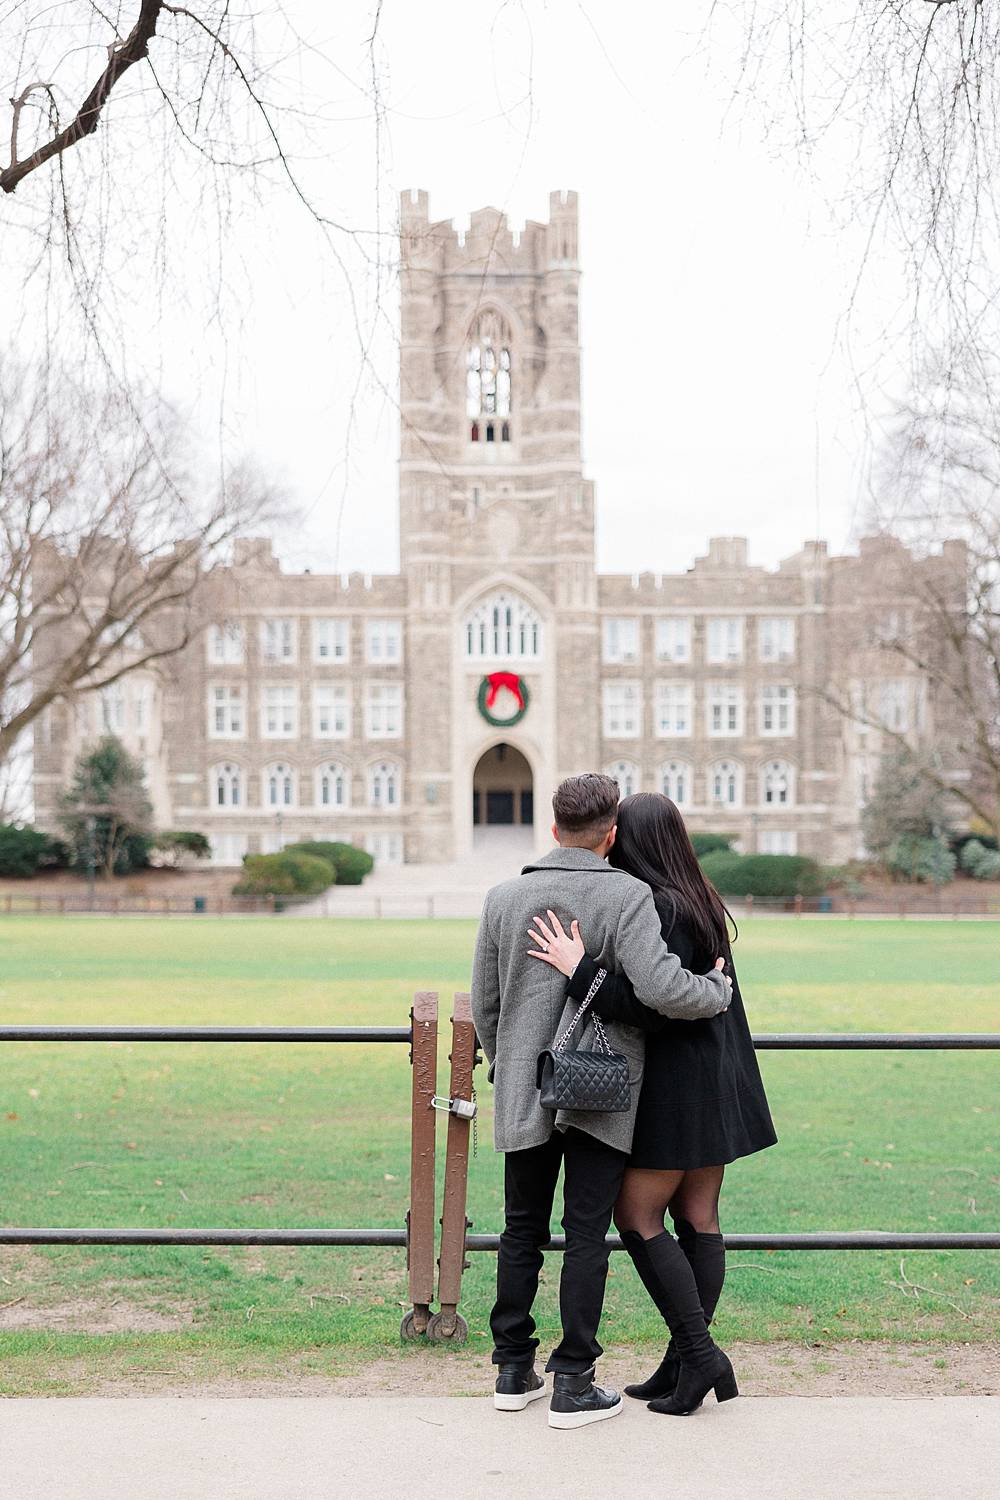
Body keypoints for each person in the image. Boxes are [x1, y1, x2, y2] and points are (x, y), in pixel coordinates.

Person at [471, 773, 732, 1430]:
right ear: (610, 835)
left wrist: (506, 1068)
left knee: (520, 1230)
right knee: (586, 1232)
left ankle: (511, 1369)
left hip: (526, 1088)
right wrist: (716, 993)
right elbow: (665, 989)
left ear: (552, 828)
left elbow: (486, 1006)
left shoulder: (504, 897)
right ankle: (574, 1380)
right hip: (603, 1090)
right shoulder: (629, 896)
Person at [529, 791, 776, 1417]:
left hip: (675, 1084)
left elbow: (649, 1004)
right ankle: (682, 1362)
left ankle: (698, 1354)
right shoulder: (701, 898)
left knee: (637, 1217)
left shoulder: (658, 904)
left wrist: (579, 967)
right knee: (700, 1219)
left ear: (628, 840)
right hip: (716, 1076)